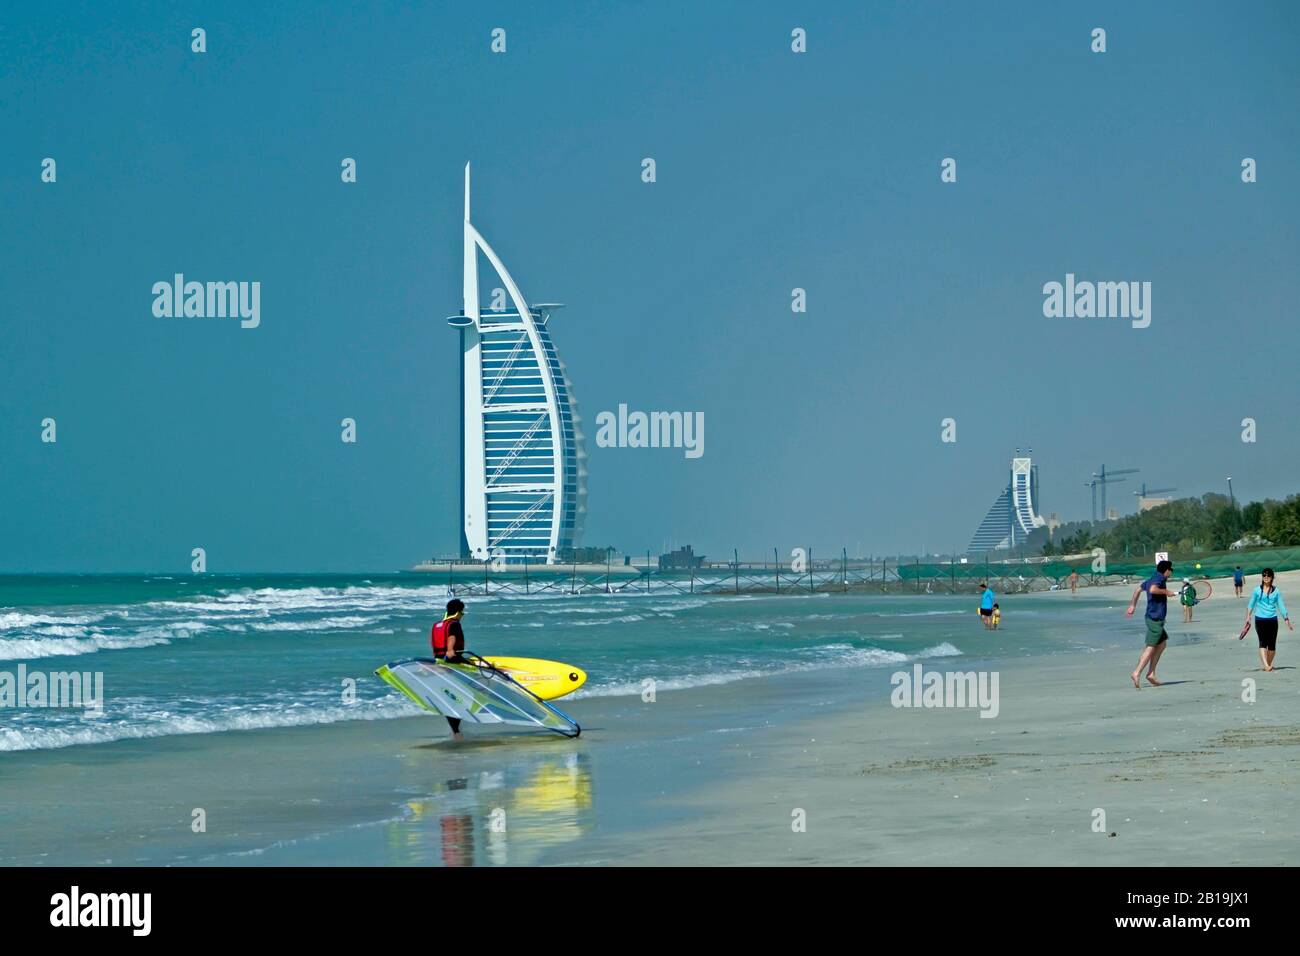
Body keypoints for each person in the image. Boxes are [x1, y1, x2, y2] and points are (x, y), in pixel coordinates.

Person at [1125, 559, 1178, 688]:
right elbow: (1154, 590)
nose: (1171, 572)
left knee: (1162, 644)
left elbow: (1138, 590)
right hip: (1154, 619)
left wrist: (1132, 605)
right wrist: (1167, 592)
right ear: (1166, 570)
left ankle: (1151, 673)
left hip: (1154, 618)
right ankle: (1137, 672)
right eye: (1170, 570)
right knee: (1151, 647)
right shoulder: (1158, 579)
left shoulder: (1154, 577)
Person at [431, 598, 469, 738]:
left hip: (440, 661)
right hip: (453, 660)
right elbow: (452, 637)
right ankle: (457, 731)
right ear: (458, 612)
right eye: (462, 613)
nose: (462, 616)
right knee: (458, 695)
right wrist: (451, 649)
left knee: (449, 696)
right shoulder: (454, 624)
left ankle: (456, 731)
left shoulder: (439, 624)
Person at [1244, 568, 1292, 672]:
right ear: (1262, 577)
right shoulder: (1257, 590)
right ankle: (1266, 665)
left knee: (1272, 646)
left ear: (1272, 577)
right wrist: (1248, 617)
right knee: (1262, 642)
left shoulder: (1276, 591)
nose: (1266, 577)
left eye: (1268, 575)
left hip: (1272, 620)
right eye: (1264, 575)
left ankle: (1268, 664)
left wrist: (1286, 618)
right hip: (1260, 619)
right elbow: (1251, 605)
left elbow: (1281, 605)